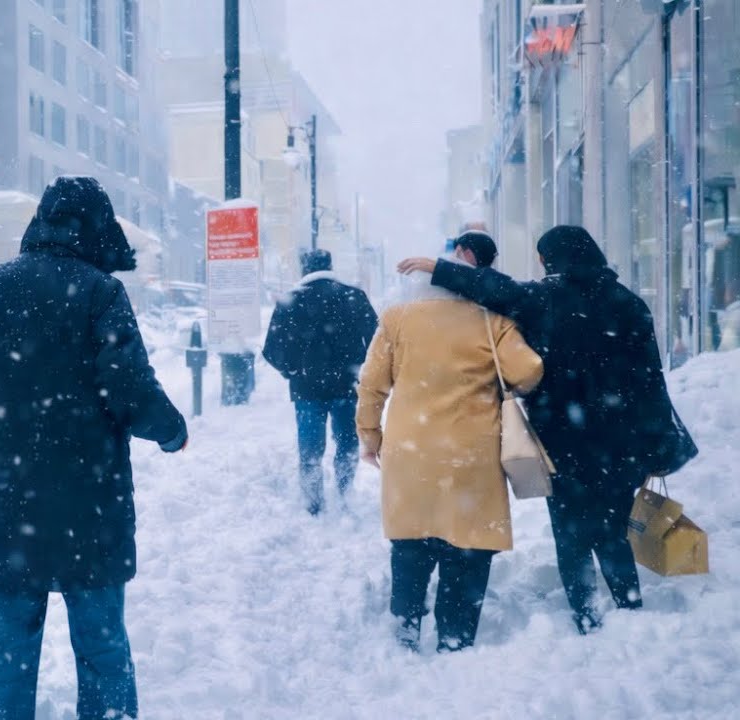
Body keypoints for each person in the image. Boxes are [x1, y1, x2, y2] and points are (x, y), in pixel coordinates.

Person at [0, 176, 187, 720]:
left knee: (6, 652)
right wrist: (170, 429)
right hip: (86, 505)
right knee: (100, 647)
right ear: (95, 226)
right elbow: (127, 386)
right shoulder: (100, 291)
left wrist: (10, 405)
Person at [398, 225, 683, 634]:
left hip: (562, 440)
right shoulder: (630, 304)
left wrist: (438, 269)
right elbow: (652, 382)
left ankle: (587, 617)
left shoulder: (544, 299)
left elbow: (495, 288)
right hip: (622, 443)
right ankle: (628, 606)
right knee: (614, 531)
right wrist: (657, 442)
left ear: (552, 258)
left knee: (571, 536)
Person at [357, 253, 543, 653]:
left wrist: (370, 438)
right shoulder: (493, 322)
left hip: (411, 453)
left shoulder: (396, 320)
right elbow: (528, 370)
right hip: (471, 455)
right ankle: (455, 636)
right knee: (468, 547)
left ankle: (405, 629)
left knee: (411, 544)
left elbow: (371, 386)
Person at [262, 249, 377, 514]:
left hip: (306, 389)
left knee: (310, 448)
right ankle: (345, 492)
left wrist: (291, 370)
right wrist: (361, 369)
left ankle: (313, 502)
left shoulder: (290, 300)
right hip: (348, 386)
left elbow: (272, 350)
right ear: (330, 265)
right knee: (347, 442)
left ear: (305, 269)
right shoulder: (354, 296)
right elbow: (377, 342)